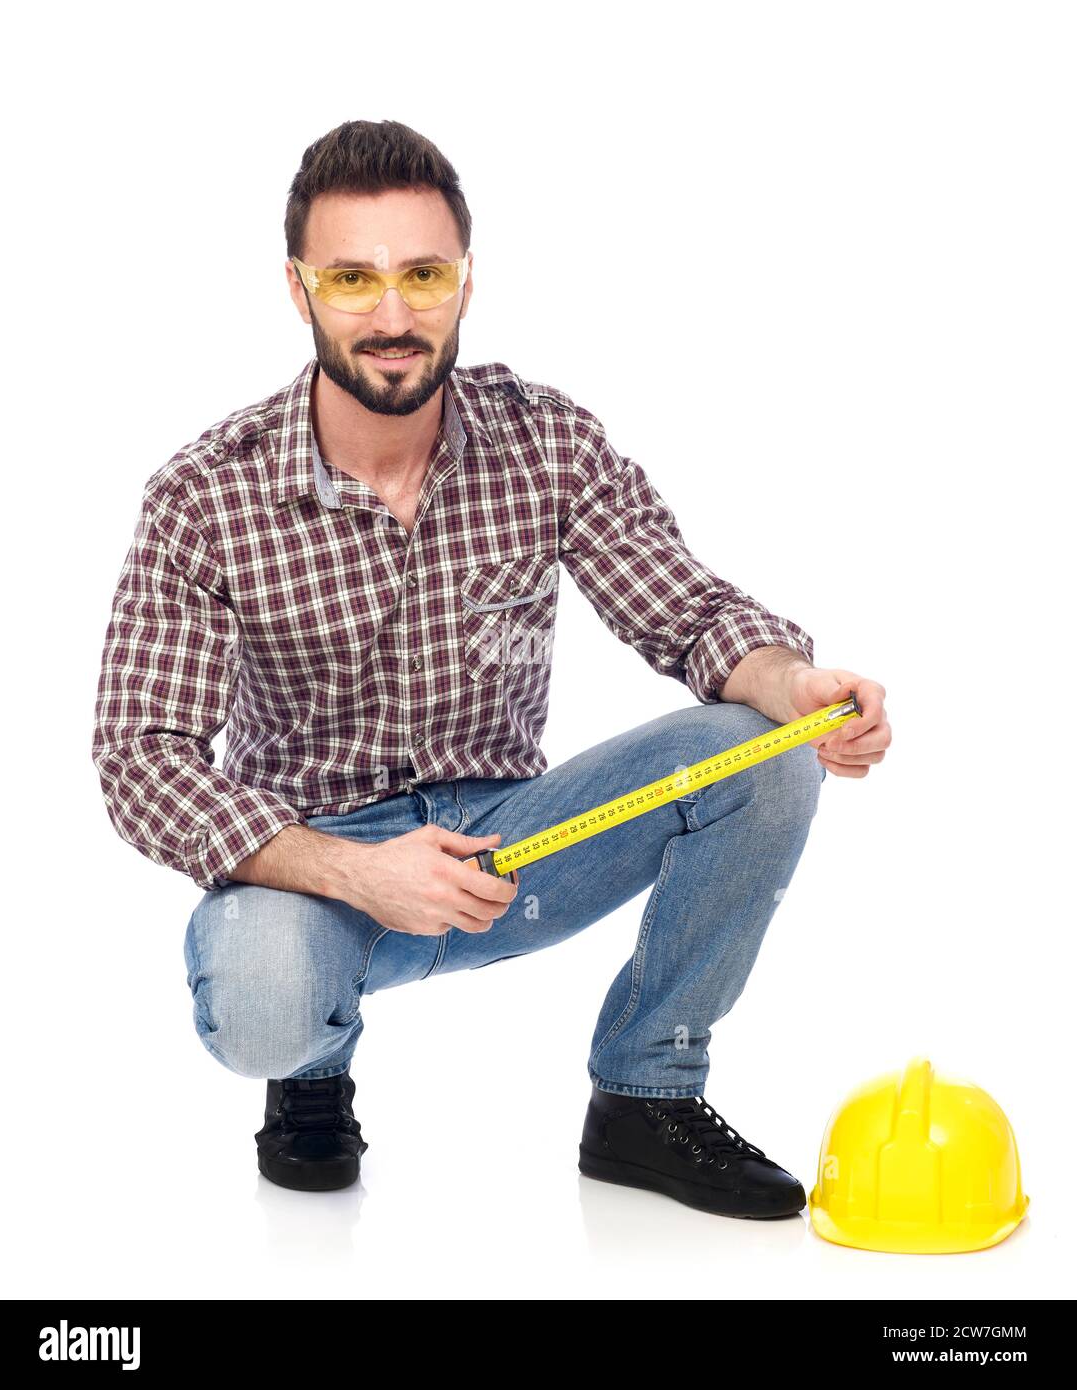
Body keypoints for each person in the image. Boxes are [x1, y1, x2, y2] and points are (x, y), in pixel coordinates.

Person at [91, 119, 891, 1213]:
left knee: (763, 755)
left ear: (464, 279)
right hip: (316, 866)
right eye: (351, 278)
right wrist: (359, 872)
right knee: (266, 998)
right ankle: (309, 1069)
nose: (390, 314)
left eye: (421, 274)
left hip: (515, 849)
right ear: (298, 289)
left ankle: (645, 1093)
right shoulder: (204, 494)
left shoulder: (545, 442)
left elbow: (690, 613)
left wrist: (788, 686)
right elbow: (141, 758)